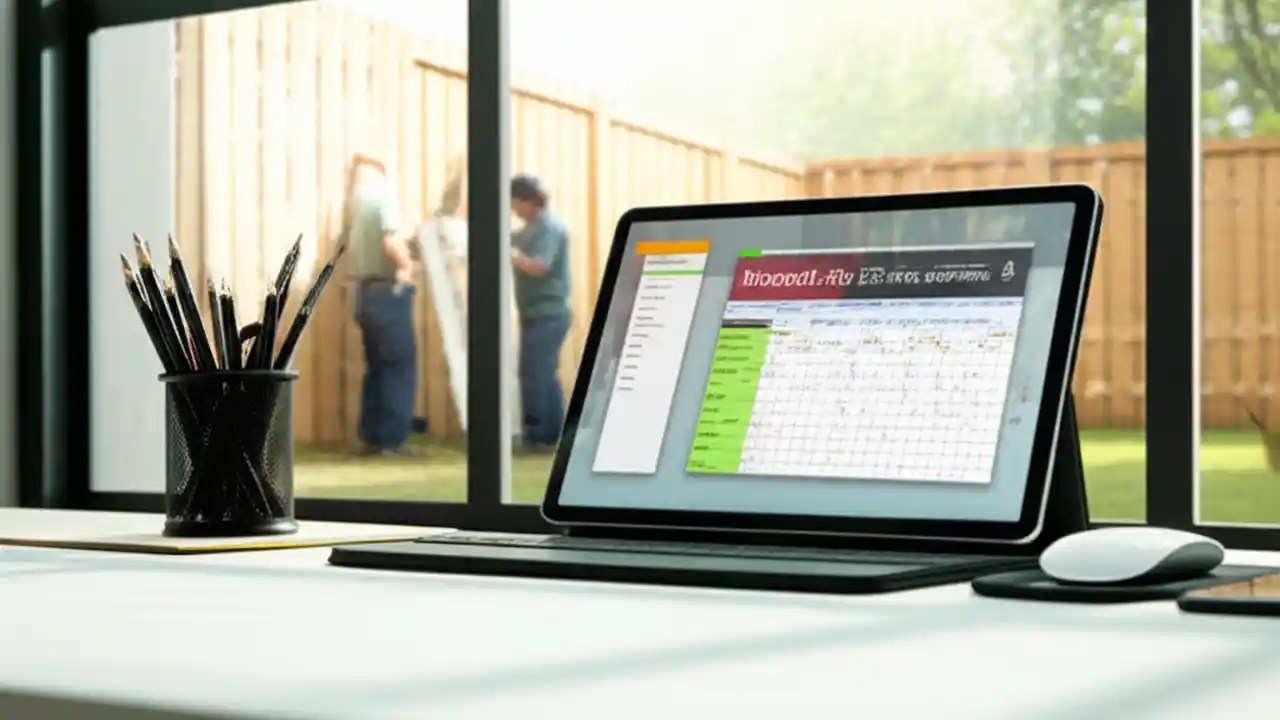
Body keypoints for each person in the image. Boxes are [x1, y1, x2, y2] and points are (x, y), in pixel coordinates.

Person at [343, 152, 421, 457]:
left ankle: (372, 436)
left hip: (364, 293)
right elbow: (390, 242)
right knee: (399, 366)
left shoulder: (356, 205)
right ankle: (392, 440)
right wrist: (407, 267)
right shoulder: (383, 196)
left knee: (376, 367)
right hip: (388, 292)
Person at [510, 174, 571, 451]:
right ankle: (553, 435)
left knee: (536, 374)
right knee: (544, 374)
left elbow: (539, 266)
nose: (512, 209)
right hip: (538, 312)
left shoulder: (549, 227)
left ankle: (539, 438)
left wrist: (511, 254)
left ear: (524, 200)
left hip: (548, 312)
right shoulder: (530, 228)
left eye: (514, 203)